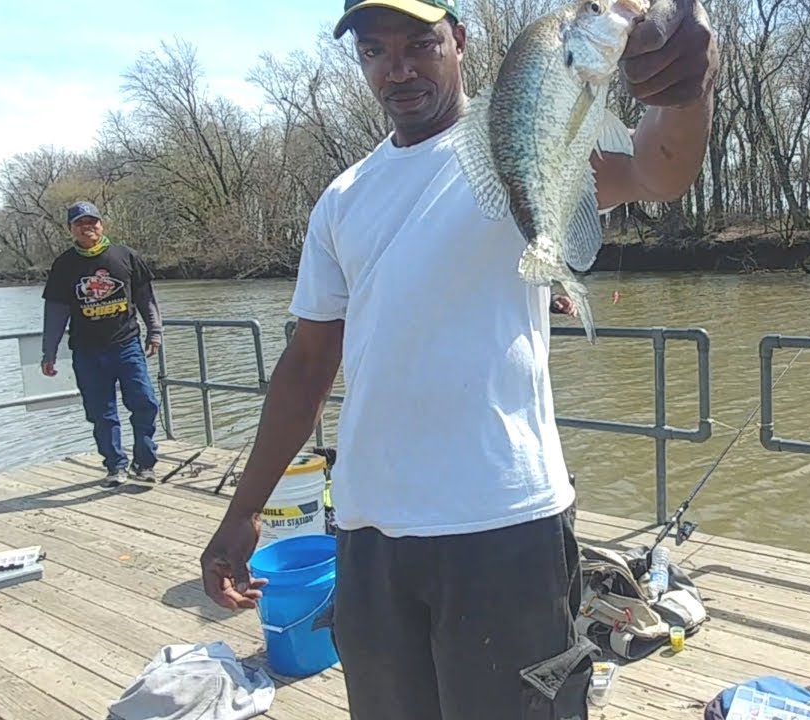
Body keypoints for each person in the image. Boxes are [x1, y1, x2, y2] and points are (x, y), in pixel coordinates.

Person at [198, 0, 718, 716]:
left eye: (420, 43)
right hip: (368, 535)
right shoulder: (341, 200)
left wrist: (682, 89)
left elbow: (662, 170)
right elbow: (309, 362)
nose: (398, 67)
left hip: (503, 528)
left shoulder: (522, 137)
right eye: (375, 51)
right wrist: (244, 509)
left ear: (461, 41)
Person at [41, 201, 163, 486]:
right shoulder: (64, 265)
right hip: (87, 351)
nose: (88, 227)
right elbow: (56, 313)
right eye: (80, 223)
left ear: (102, 224)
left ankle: (144, 464)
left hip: (127, 345)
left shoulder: (126, 256)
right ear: (71, 229)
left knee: (145, 402)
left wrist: (155, 332)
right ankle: (115, 466)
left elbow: (146, 299)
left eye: (92, 221)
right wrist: (49, 352)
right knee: (101, 412)